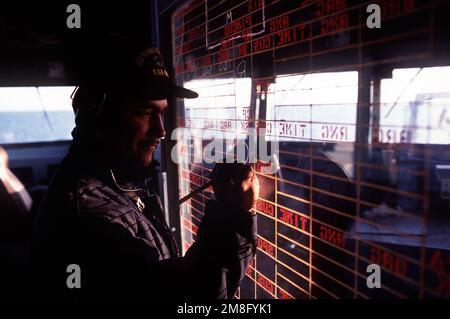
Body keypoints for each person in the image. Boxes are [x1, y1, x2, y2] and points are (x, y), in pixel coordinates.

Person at [31, 39, 259, 299]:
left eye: (161, 113)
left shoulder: (116, 178)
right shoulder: (91, 217)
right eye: (144, 112)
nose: (160, 130)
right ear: (97, 114)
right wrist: (234, 214)